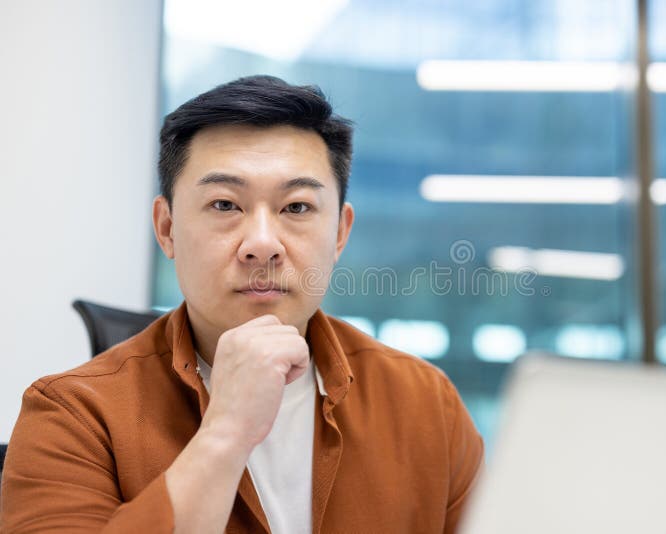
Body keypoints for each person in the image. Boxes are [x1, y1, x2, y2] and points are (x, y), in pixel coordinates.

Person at [0, 75, 484, 533]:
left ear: (340, 232)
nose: (262, 244)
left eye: (297, 207)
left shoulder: (426, 404)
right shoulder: (70, 416)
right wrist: (227, 431)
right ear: (167, 228)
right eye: (225, 205)